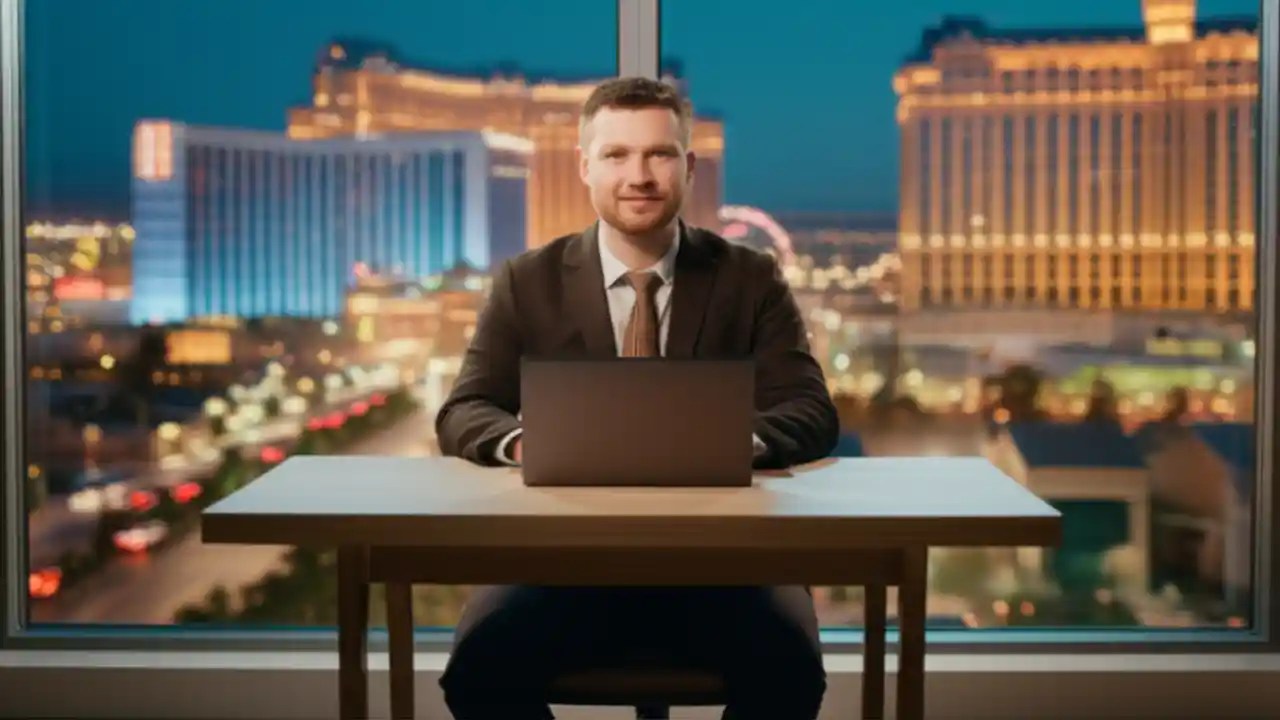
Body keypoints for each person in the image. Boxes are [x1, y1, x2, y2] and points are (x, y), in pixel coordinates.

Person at [435, 76, 839, 720]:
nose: (640, 175)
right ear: (584, 167)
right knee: (481, 670)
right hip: (565, 562)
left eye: (659, 154)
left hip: (722, 565)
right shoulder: (527, 280)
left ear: (689, 166)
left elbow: (812, 413)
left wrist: (745, 442)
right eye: (617, 155)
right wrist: (521, 443)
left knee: (789, 669)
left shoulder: (750, 277)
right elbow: (464, 410)